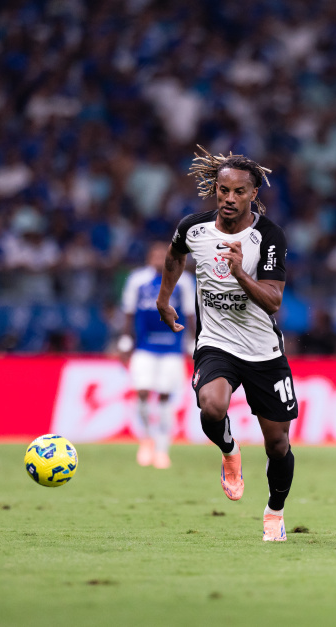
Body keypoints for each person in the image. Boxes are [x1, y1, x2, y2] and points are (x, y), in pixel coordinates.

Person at [157, 146, 298, 542]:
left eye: (238, 192)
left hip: (263, 351)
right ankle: (230, 450)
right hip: (216, 343)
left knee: (277, 444)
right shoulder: (194, 229)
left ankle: (274, 511)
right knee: (212, 404)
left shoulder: (269, 237)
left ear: (254, 194)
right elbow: (174, 256)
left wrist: (239, 273)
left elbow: (273, 300)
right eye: (223, 191)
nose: (229, 199)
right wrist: (164, 299)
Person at [119, 241, 196, 469]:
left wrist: (193, 343)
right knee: (142, 392)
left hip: (172, 347)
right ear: (148, 257)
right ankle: (146, 440)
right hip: (144, 347)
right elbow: (129, 313)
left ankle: (162, 449)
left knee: (164, 396)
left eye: (163, 254)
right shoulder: (137, 280)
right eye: (155, 254)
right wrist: (125, 341)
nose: (158, 258)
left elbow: (190, 315)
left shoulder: (184, 281)